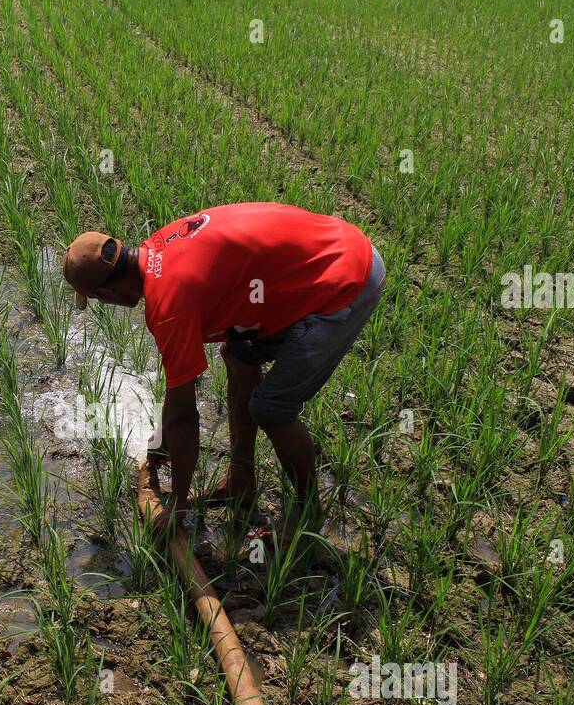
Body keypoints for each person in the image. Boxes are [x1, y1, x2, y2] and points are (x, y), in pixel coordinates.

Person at [63, 202, 385, 543]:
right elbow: (177, 388)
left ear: (107, 293)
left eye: (97, 300)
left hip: (346, 278)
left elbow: (185, 416)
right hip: (330, 248)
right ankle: (241, 482)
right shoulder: (159, 245)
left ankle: (308, 513)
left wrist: (178, 506)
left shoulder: (168, 306)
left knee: (273, 408)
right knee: (240, 355)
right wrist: (160, 446)